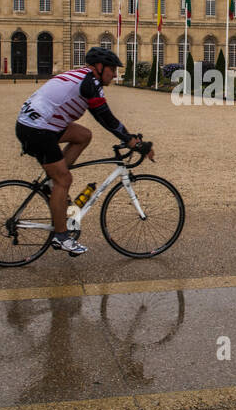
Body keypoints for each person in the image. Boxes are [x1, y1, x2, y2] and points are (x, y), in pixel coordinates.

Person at [16, 47, 153, 256]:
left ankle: (55, 181)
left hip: (39, 124)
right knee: (65, 180)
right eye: (112, 70)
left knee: (83, 135)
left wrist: (128, 137)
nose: (115, 75)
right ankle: (61, 237)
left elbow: (103, 119)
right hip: (37, 130)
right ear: (99, 67)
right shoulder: (90, 83)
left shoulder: (84, 76)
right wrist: (133, 141)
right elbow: (105, 118)